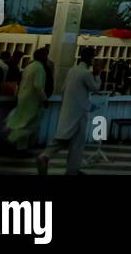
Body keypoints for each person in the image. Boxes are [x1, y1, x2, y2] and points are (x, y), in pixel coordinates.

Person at [37, 46, 101, 175]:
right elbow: (95, 88)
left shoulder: (73, 70)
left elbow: (64, 89)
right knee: (76, 143)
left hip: (69, 110)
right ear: (90, 59)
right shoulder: (85, 73)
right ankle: (66, 167)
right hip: (79, 114)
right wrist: (97, 75)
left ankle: (47, 157)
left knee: (63, 138)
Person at [5, 48, 51, 152]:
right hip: (32, 100)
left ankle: (21, 147)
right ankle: (12, 138)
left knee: (24, 122)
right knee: (31, 124)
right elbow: (38, 86)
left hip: (23, 97)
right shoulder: (39, 68)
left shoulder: (29, 66)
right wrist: (44, 99)